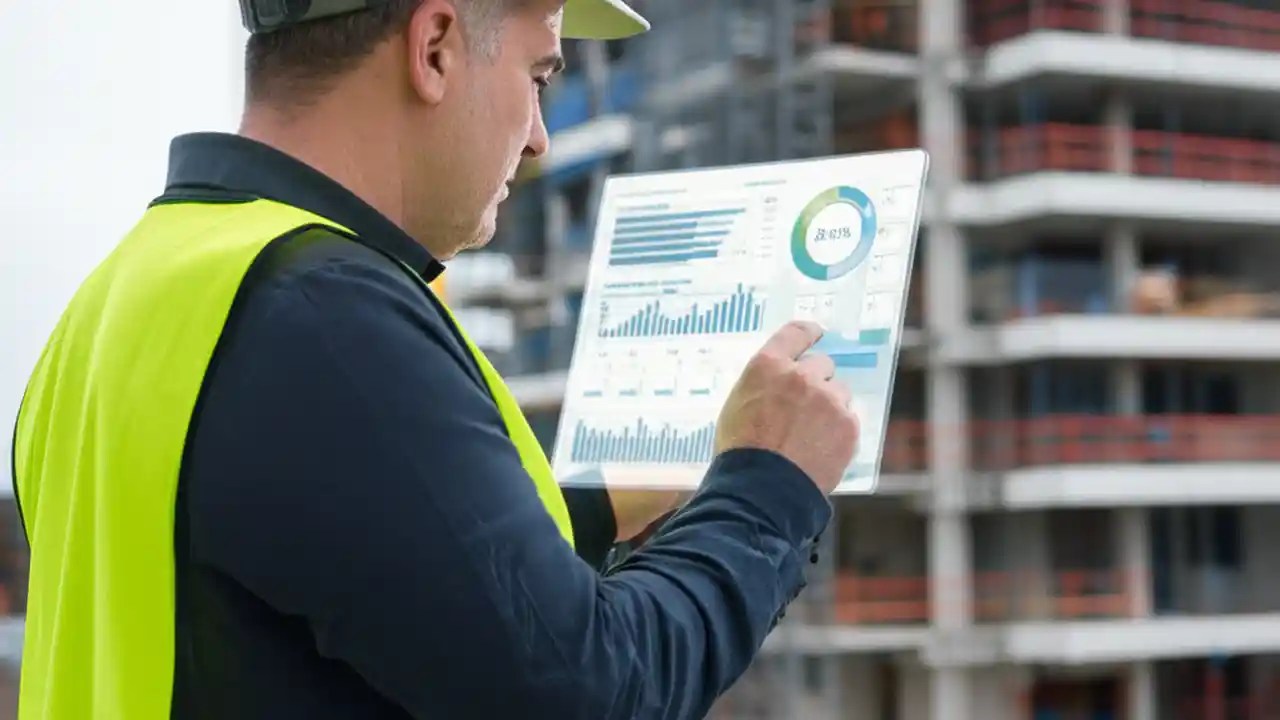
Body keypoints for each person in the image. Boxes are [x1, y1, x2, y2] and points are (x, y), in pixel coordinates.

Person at [10, 0, 860, 718]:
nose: (538, 141)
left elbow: (331, 558)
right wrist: (767, 486)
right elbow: (595, 691)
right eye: (539, 78)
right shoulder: (324, 313)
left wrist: (597, 510)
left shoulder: (130, 293)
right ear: (435, 46)